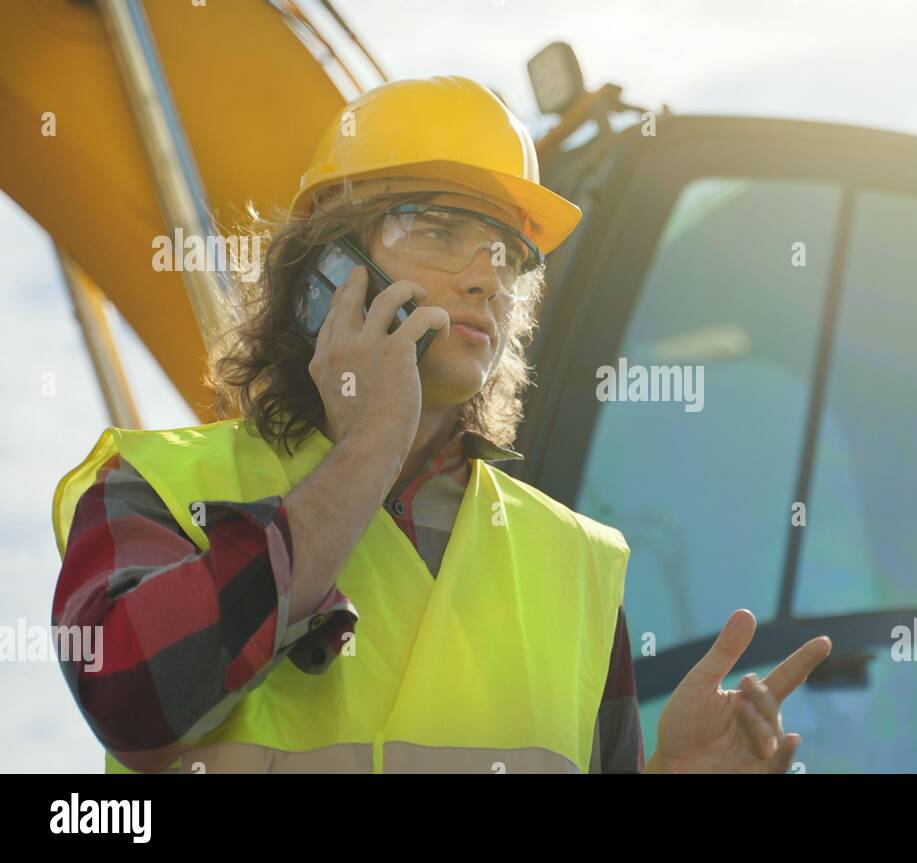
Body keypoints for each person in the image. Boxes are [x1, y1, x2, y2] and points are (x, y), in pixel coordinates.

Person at [50, 75, 831, 774]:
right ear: (323, 270)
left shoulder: (577, 565)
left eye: (507, 252)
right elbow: (128, 696)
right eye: (438, 228)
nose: (488, 275)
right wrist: (367, 448)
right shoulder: (153, 485)